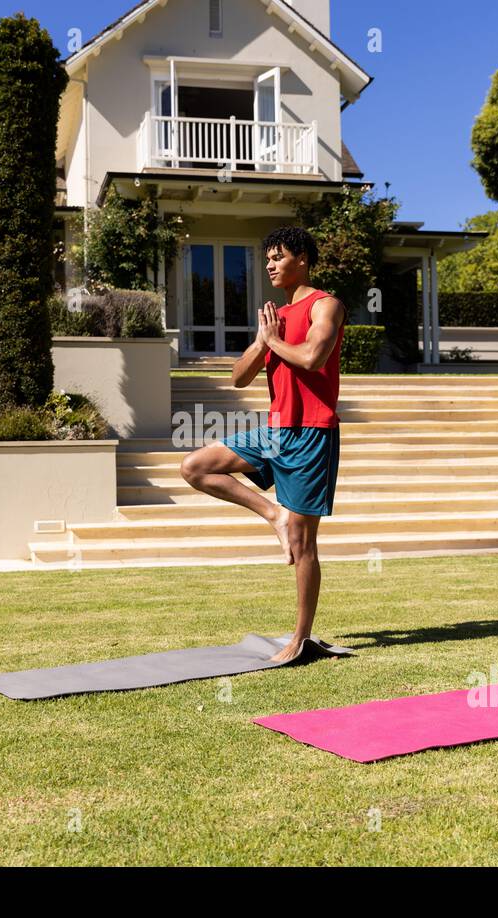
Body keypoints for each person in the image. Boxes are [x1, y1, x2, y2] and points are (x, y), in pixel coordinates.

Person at [179, 226, 346, 664]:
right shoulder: (274, 317)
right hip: (275, 431)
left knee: (304, 542)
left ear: (303, 259)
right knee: (195, 467)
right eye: (268, 258)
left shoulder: (325, 305)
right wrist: (261, 341)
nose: (270, 264)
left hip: (312, 432)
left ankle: (300, 638)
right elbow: (238, 378)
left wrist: (273, 340)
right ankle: (272, 512)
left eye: (279, 256)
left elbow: (313, 358)